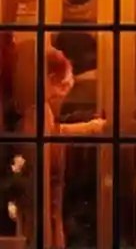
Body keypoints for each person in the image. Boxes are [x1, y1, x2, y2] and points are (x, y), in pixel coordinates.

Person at [12, 44, 106, 248]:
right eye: (60, 90)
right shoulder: (35, 112)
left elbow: (54, 132)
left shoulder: (37, 110)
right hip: (40, 204)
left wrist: (90, 127)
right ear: (50, 78)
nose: (60, 98)